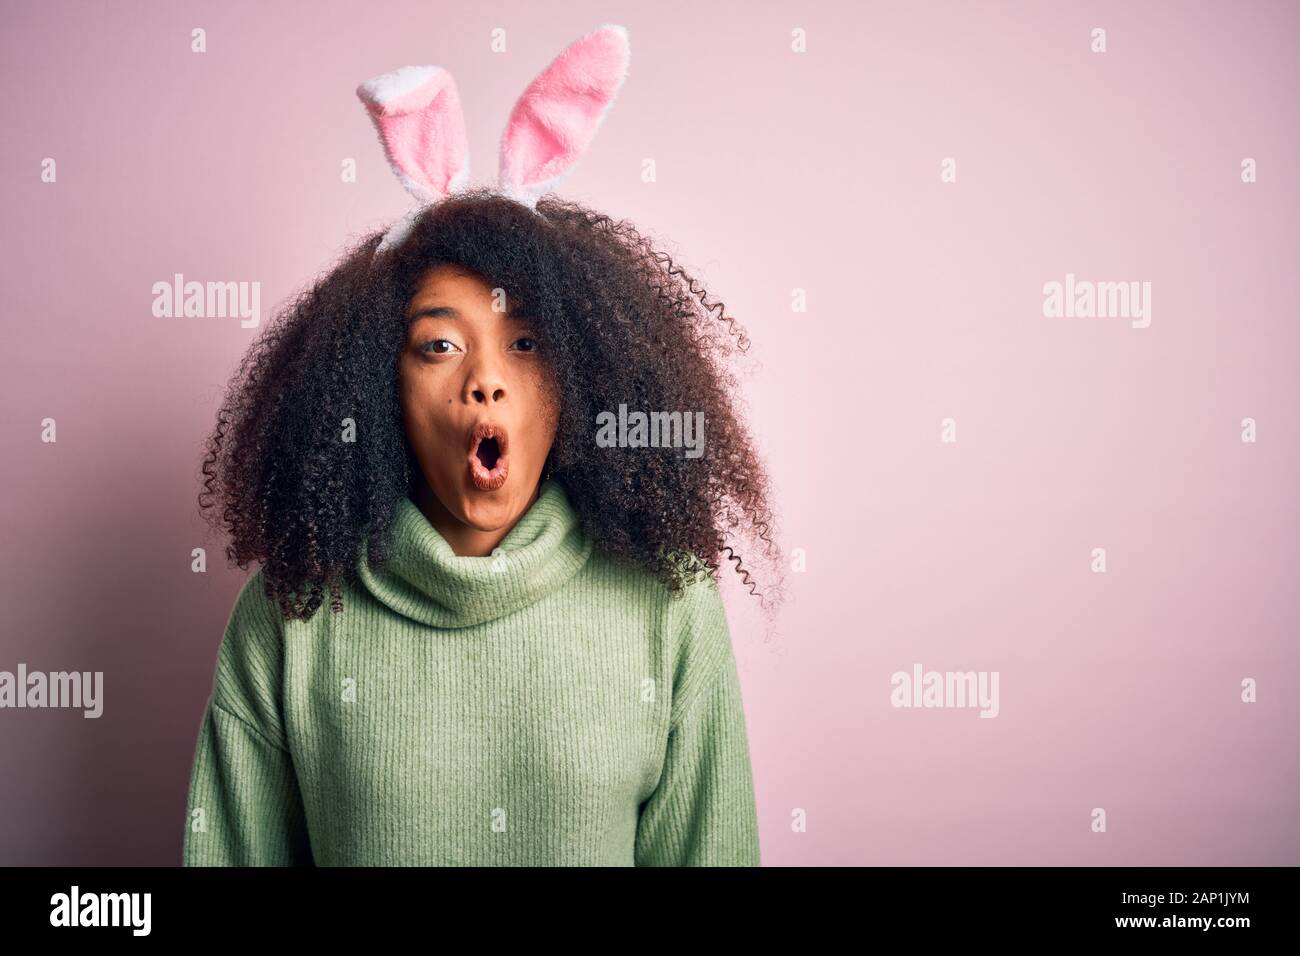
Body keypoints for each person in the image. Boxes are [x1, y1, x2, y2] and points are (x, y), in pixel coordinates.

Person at [182, 25, 780, 866]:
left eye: (526, 344)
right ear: (376, 386)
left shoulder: (668, 601)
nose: (486, 381)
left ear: (581, 378)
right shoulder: (290, 612)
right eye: (439, 346)